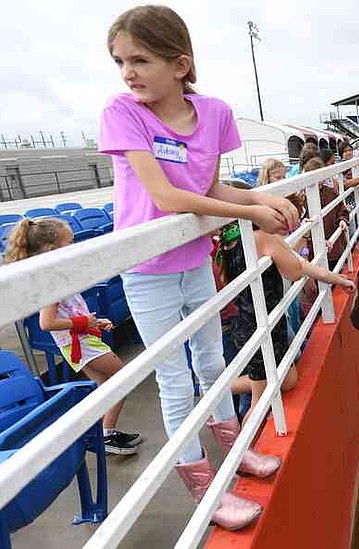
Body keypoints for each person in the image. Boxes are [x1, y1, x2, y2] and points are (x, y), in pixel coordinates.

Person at [99, 5, 299, 531]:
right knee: (174, 381)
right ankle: (208, 492)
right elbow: (167, 197)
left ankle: (235, 459)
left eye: (140, 59)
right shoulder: (123, 111)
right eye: (120, 61)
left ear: (181, 63)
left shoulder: (214, 112)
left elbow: (207, 189)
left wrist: (263, 199)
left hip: (194, 260)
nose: (128, 72)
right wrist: (253, 209)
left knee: (213, 366)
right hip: (147, 271)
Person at [3, 218, 141, 456]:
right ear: (51, 249)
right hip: (79, 344)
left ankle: (103, 433)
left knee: (107, 386)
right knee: (122, 379)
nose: (75, 246)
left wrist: (94, 323)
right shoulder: (50, 280)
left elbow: (71, 310)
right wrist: (83, 323)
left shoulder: (56, 274)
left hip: (83, 339)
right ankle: (105, 433)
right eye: (70, 242)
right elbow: (46, 323)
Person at [217, 219, 355, 424]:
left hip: (253, 325)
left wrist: (339, 280)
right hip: (262, 329)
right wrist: (276, 242)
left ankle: (225, 387)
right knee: (260, 399)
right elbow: (296, 271)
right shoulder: (261, 238)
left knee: (288, 380)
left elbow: (302, 265)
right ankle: (244, 449)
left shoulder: (231, 243)